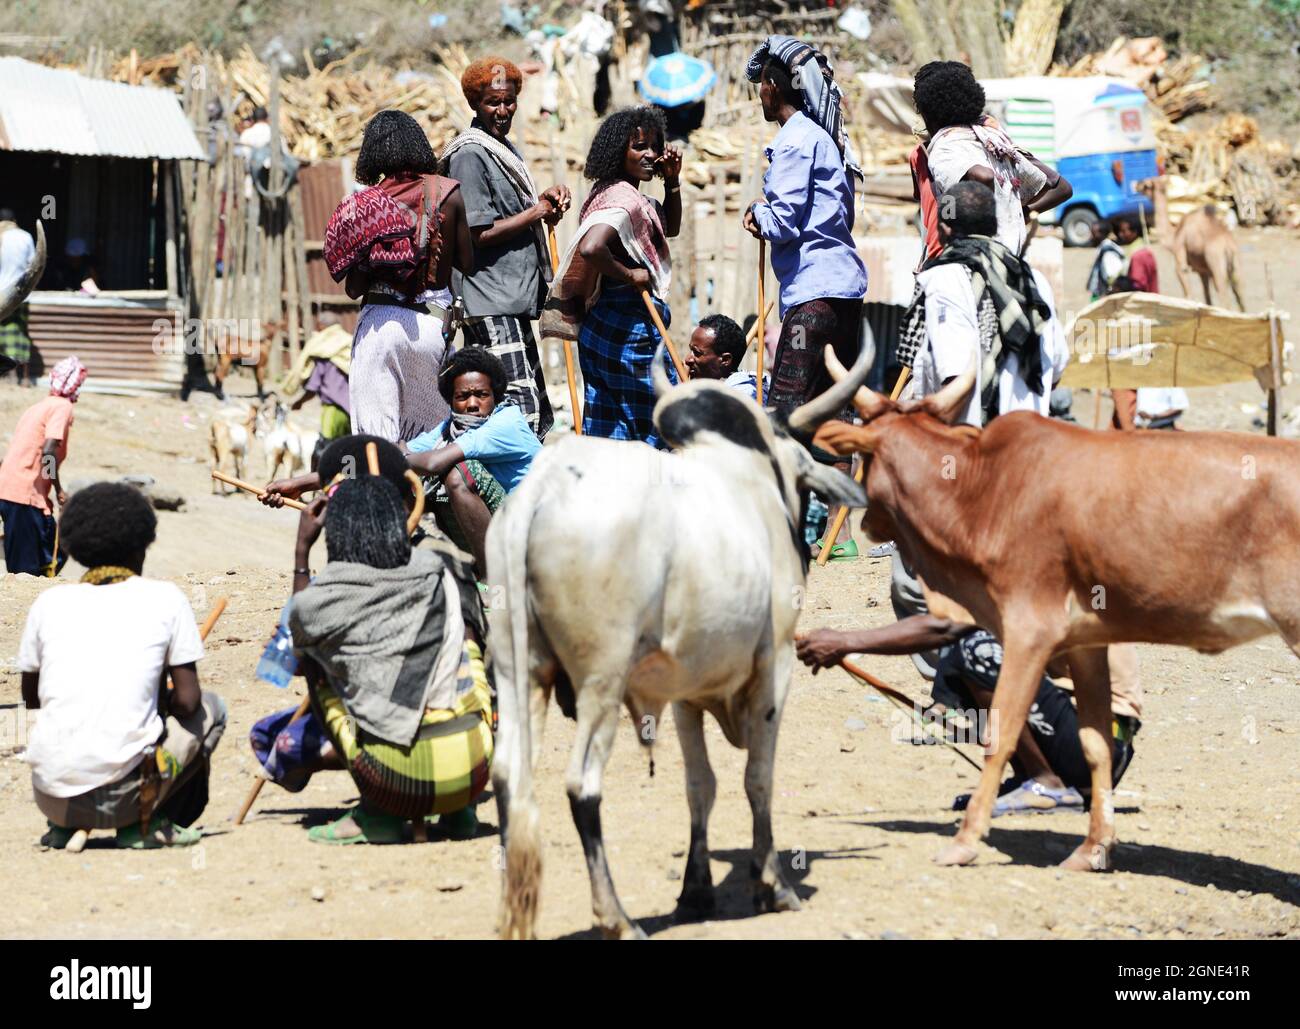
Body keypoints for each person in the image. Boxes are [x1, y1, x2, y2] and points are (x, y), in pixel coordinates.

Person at [287, 473, 494, 844]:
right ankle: (459, 812)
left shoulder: (328, 599)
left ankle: (376, 816)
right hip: (474, 766)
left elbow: (297, 639)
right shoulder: (441, 566)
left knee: (313, 663)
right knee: (465, 647)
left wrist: (302, 551)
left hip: (393, 782)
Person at [19, 483, 227, 848]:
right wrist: (157, 704)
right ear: (142, 545)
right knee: (213, 708)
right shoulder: (165, 598)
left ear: (71, 546)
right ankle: (147, 823)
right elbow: (189, 702)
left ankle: (65, 827)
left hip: (51, 798)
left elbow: (32, 698)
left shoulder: (48, 604)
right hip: (127, 799)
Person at [795, 615, 1142, 816]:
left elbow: (943, 627)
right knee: (972, 646)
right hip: (1080, 737)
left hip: (1099, 746)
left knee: (976, 648)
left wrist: (846, 641)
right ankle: (1026, 779)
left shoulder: (1043, 569)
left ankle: (1046, 783)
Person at [441, 57, 571, 439]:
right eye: (492, 103)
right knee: (520, 413)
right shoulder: (469, 154)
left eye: (509, 101)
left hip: (509, 299)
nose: (502, 111)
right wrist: (537, 212)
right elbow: (477, 234)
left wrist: (540, 202)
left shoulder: (501, 148)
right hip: (490, 301)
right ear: (474, 104)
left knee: (530, 407)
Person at [324, 110, 473, 443]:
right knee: (430, 442)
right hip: (433, 330)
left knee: (377, 444)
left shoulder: (367, 205)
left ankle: (382, 495)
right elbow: (469, 262)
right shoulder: (448, 193)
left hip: (379, 329)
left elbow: (353, 289)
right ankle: (424, 497)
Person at [542, 105, 681, 447]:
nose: (650, 154)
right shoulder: (624, 199)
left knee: (611, 426)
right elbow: (592, 247)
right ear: (620, 151)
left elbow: (671, 227)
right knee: (657, 419)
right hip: (627, 326)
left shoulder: (614, 193)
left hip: (605, 324)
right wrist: (631, 274)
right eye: (639, 147)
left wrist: (673, 182)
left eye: (654, 146)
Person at [912, 181, 1068, 428]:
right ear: (994, 227)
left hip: (973, 450)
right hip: (1031, 445)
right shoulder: (1034, 280)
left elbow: (955, 380)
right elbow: (1056, 366)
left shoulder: (945, 280)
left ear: (943, 229)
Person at [402, 347, 540, 575]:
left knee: (460, 473)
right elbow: (407, 452)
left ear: (495, 395)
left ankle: (494, 580)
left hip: (531, 532)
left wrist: (404, 455)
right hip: (501, 530)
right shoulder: (451, 427)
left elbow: (433, 463)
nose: (473, 404)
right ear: (451, 401)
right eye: (463, 396)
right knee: (403, 478)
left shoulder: (506, 422)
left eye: (481, 395)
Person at [912, 61, 1072, 258]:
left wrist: (979, 231)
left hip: (972, 261)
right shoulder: (995, 141)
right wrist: (1018, 212)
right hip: (1011, 259)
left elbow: (982, 176)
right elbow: (1059, 186)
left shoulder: (943, 149)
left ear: (926, 111)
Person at [0, 355, 86, 574]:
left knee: (51, 550)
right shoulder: (62, 407)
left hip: (13, 490)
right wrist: (58, 489)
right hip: (24, 495)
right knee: (27, 570)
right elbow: (48, 452)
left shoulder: (38, 407)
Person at [280, 314, 352, 442]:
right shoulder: (348, 347)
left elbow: (313, 388)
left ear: (322, 326)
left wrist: (299, 402)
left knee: (329, 448)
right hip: (352, 411)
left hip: (332, 410)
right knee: (349, 449)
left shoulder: (323, 351)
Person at [685, 313, 766, 401]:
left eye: (697, 353)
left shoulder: (738, 399)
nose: (687, 360)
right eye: (691, 350)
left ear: (725, 360)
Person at [0, 210, 36, 385]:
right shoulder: (25, 237)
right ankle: (24, 377)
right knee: (20, 331)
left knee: (3, 333)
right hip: (20, 293)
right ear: (14, 220)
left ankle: (9, 375)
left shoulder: (1, 237)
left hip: (0, 293)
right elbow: (33, 265)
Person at [1086, 217, 1124, 300]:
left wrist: (1106, 296)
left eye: (1093, 233)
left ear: (1099, 234)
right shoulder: (1102, 249)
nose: (1090, 237)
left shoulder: (1108, 252)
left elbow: (1113, 277)